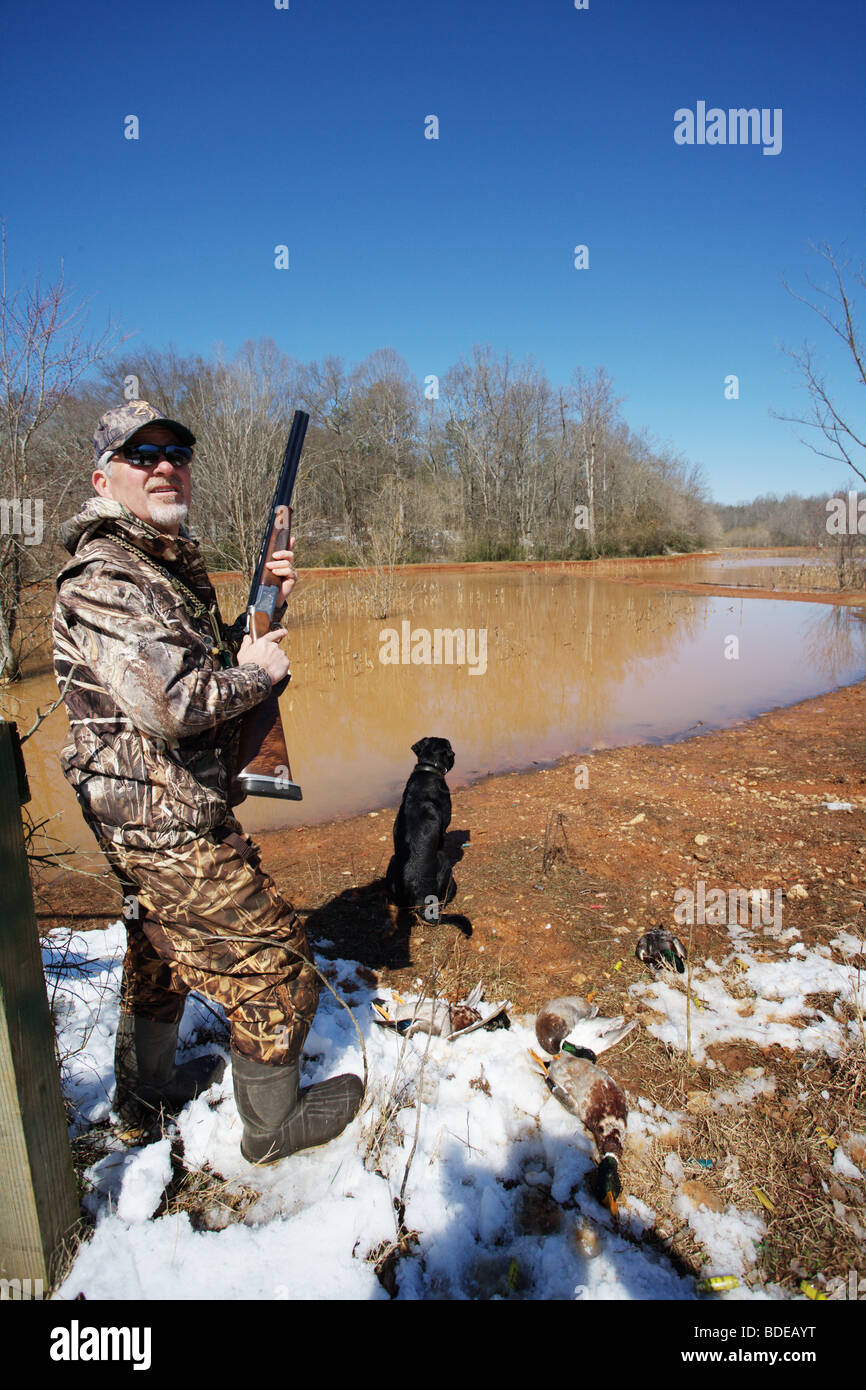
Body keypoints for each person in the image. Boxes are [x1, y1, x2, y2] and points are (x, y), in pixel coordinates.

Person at [52, 400, 363, 1161]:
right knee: (279, 969)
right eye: (142, 454)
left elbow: (191, 667)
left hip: (153, 808)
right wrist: (257, 675)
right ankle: (270, 1128)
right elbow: (175, 702)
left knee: (157, 947)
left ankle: (141, 1097)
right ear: (104, 477)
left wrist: (263, 617)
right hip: (162, 818)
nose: (165, 465)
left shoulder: (157, 566)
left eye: (177, 452)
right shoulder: (106, 574)